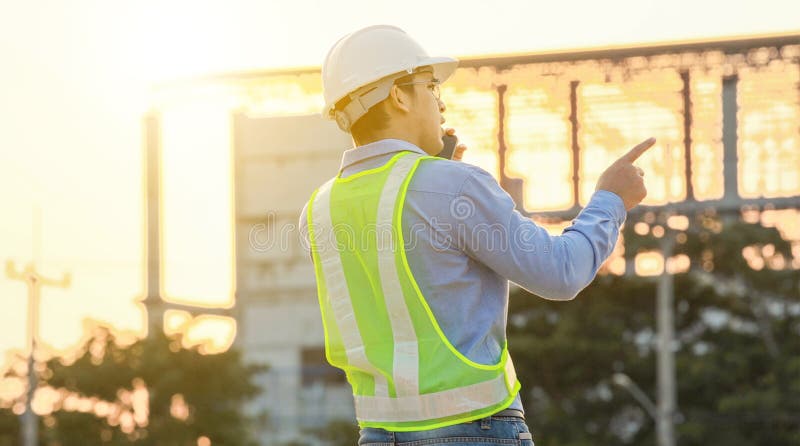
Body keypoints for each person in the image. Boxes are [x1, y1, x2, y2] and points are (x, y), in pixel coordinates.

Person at [299, 25, 654, 446]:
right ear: (398, 95)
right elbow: (561, 272)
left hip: (378, 435)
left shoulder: (317, 210)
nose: (441, 102)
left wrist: (437, 173)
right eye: (430, 86)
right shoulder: (453, 187)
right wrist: (610, 199)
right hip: (475, 430)